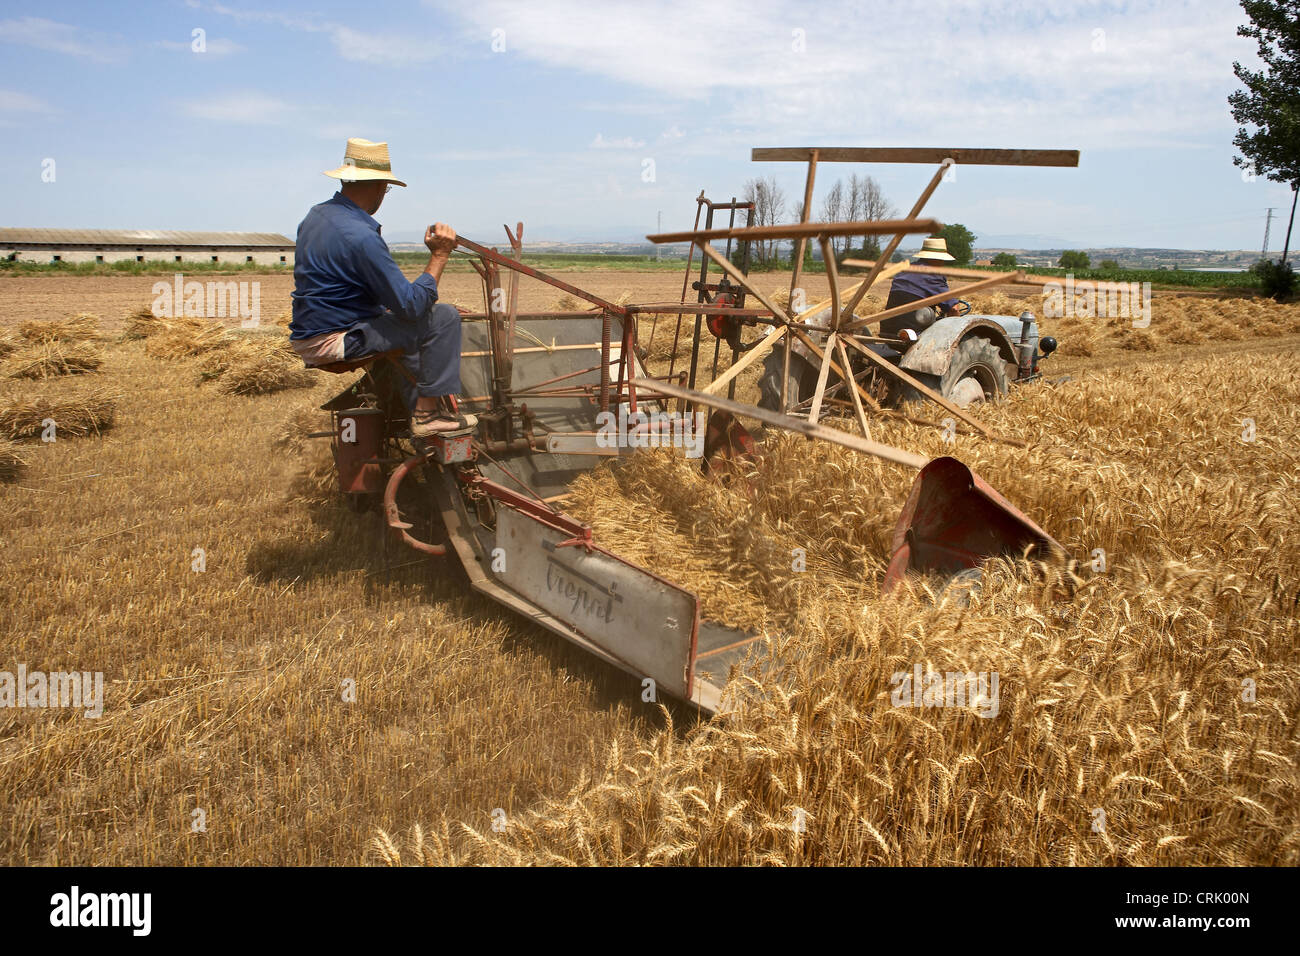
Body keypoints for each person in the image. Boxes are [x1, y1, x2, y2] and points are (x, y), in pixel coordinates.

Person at [289, 137, 472, 436]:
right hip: (337, 338)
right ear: (377, 186)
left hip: (310, 331)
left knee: (402, 325)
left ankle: (413, 411)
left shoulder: (316, 215)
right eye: (385, 189)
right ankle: (428, 416)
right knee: (444, 317)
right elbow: (411, 306)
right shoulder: (360, 235)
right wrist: (440, 255)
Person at [879, 236, 964, 340]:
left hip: (888, 330)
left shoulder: (904, 271)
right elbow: (953, 309)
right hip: (915, 333)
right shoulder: (933, 275)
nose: (943, 263)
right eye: (942, 260)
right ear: (937, 259)